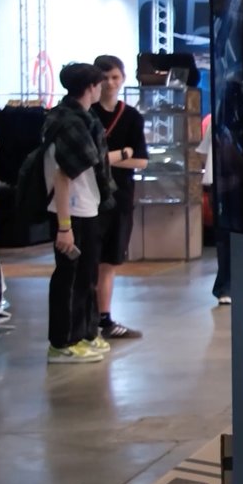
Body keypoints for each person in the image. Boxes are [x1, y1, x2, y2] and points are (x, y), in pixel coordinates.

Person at [45, 62, 117, 366]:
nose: (104, 88)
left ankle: (85, 333)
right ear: (90, 88)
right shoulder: (69, 124)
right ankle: (63, 342)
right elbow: (63, 177)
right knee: (70, 278)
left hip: (87, 208)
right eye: (100, 83)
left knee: (86, 275)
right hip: (70, 211)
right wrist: (64, 227)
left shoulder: (83, 120)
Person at [92, 56, 147, 338]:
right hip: (89, 198)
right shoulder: (87, 114)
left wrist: (107, 159)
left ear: (123, 78)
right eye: (104, 78)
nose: (110, 83)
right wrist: (122, 153)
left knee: (110, 261)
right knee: (89, 259)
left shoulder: (131, 117)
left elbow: (141, 161)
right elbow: (88, 160)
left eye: (115, 77)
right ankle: (88, 320)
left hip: (120, 196)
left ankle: (104, 319)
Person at [196, 112, 229, 305]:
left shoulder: (214, 120)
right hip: (223, 182)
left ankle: (225, 287)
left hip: (218, 182)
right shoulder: (217, 121)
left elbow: (202, 153)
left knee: (224, 239)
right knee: (225, 239)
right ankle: (225, 287)